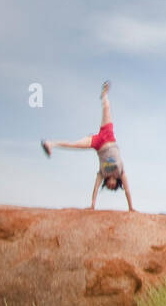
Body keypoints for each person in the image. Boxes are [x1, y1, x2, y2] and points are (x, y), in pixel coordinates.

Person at [41, 81, 135, 211]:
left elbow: (96, 188)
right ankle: (105, 94)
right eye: (113, 186)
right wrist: (131, 207)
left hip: (98, 144)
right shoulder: (120, 172)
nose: (111, 184)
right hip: (108, 136)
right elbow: (128, 190)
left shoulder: (102, 173)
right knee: (107, 109)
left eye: (109, 186)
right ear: (117, 183)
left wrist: (92, 205)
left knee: (74, 145)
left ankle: (51, 144)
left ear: (106, 183)